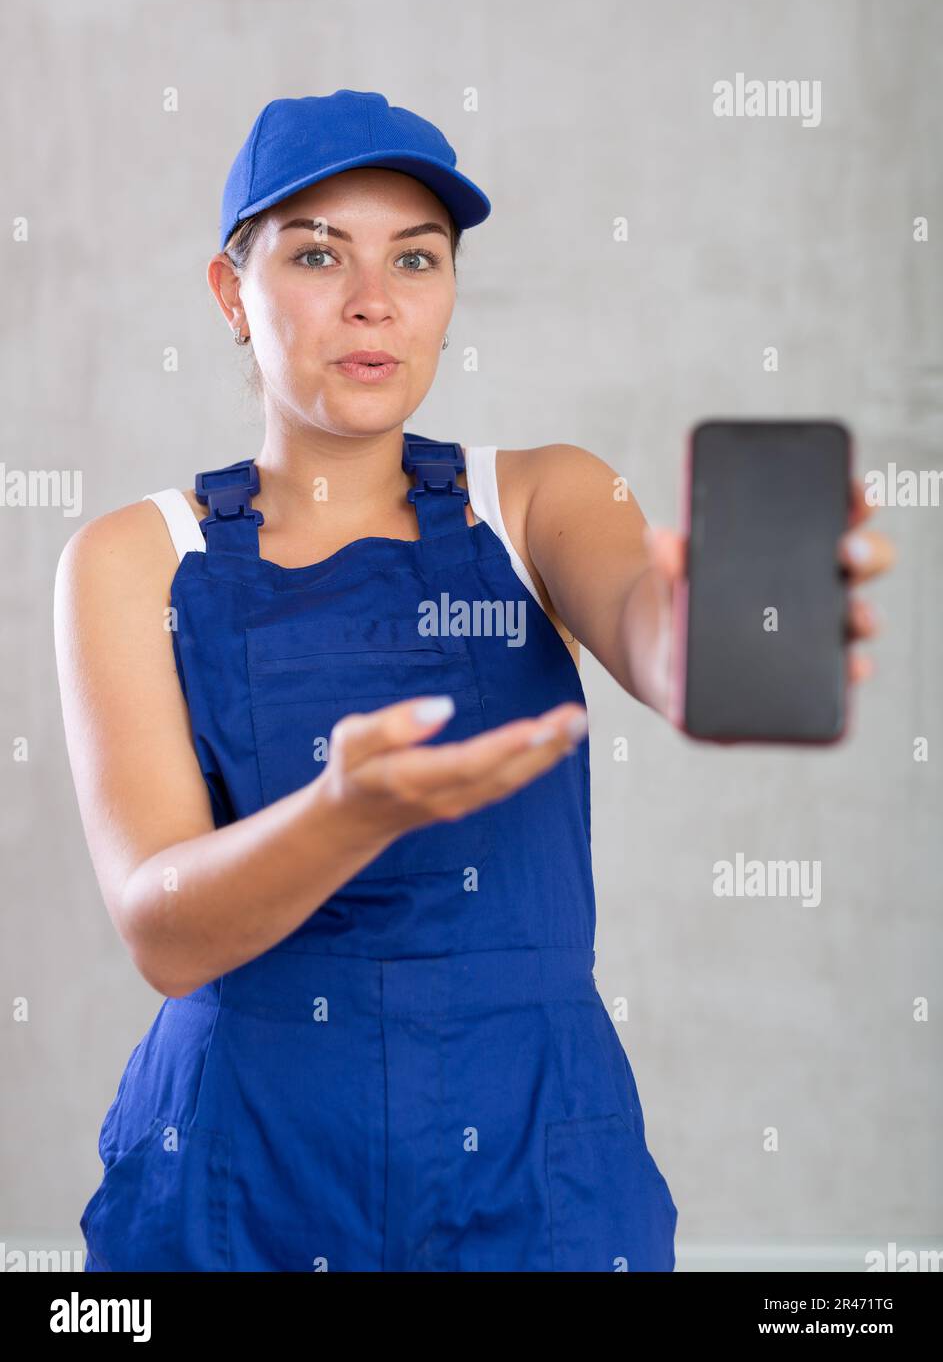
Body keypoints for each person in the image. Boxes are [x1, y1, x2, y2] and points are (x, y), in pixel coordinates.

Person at [54, 90, 893, 1272]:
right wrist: (348, 815)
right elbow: (164, 931)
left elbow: (670, 655)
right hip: (241, 1170)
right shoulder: (132, 556)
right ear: (229, 292)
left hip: (530, 1156)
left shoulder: (544, 496)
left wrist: (743, 620)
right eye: (314, 253)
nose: (373, 300)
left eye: (416, 256)